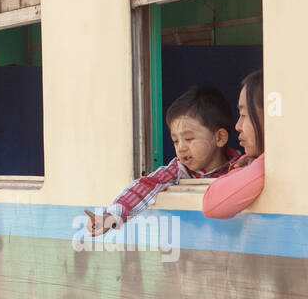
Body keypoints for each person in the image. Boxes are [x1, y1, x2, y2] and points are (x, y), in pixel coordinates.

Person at [85, 84, 240, 235]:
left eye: (189, 138)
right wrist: (110, 216)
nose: (181, 148)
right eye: (176, 141)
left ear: (219, 138)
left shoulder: (241, 168)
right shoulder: (179, 170)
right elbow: (145, 186)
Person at [202, 70, 265, 217]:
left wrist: (262, 163)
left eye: (244, 115)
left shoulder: (271, 166)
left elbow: (212, 204)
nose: (238, 126)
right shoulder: (254, 163)